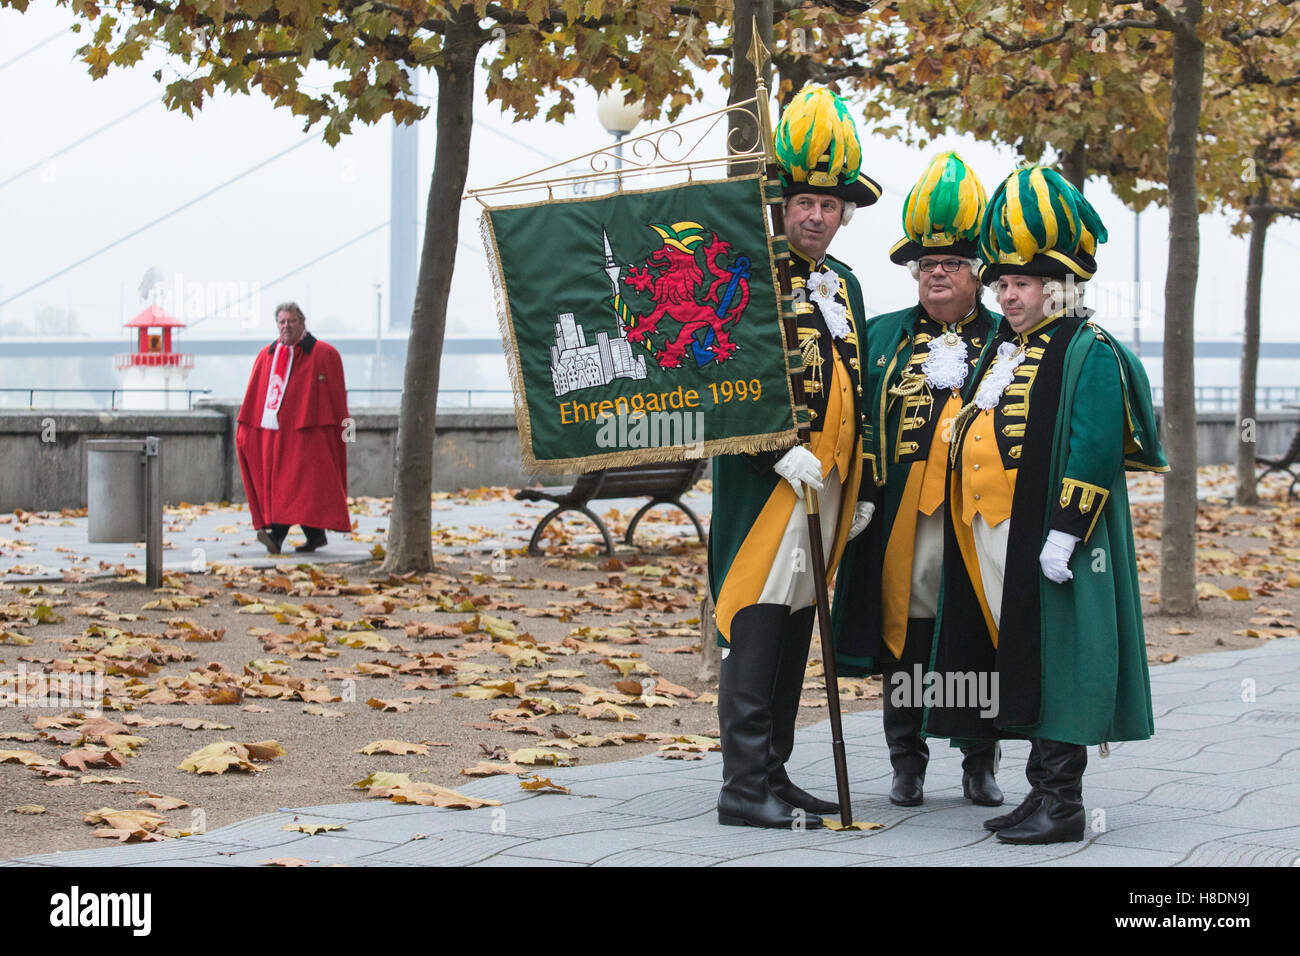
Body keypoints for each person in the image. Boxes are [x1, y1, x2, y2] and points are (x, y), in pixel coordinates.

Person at [928, 165, 1167, 844]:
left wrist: (1065, 532)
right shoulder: (1009, 348)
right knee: (1021, 654)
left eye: (1021, 284)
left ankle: (1062, 803)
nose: (1006, 295)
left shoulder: (1087, 350)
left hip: (1055, 536)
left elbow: (1092, 448)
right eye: (1001, 283)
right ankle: (1040, 793)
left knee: (1059, 658)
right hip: (990, 529)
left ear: (1058, 286)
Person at [709, 85, 880, 829]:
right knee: (756, 619)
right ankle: (743, 787)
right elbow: (719, 377)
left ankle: (774, 771)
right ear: (781, 203)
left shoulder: (846, 284)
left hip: (832, 484)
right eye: (805, 202)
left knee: (796, 621)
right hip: (770, 483)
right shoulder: (742, 269)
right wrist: (775, 453)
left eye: (830, 205)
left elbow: (861, 386)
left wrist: (864, 479)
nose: (817, 216)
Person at [830, 151, 1003, 808]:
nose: (935, 274)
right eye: (926, 266)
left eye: (951, 265)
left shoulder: (1005, 340)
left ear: (978, 275)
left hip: (978, 520)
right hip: (899, 519)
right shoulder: (881, 338)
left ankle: (978, 762)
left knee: (974, 635)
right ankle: (906, 758)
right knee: (903, 635)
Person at [236, 302, 351, 554]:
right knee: (291, 488)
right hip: (277, 439)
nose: (286, 326)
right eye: (282, 322)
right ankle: (314, 535)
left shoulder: (324, 354)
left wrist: (347, 434)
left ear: (302, 322)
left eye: (291, 321)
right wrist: (245, 433)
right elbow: (254, 399)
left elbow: (338, 400)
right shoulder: (267, 355)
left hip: (310, 438)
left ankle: (277, 537)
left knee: (297, 487)